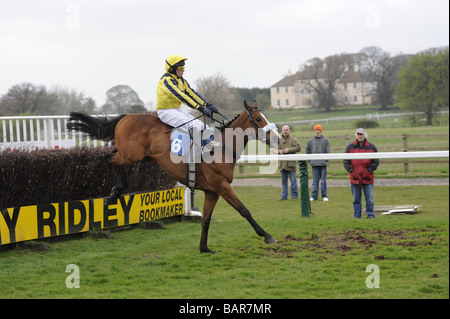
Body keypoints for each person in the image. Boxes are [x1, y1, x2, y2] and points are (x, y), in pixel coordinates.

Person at [157, 54, 219, 146]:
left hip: (176, 110)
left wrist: (207, 105)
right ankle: (200, 151)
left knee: (204, 126)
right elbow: (182, 97)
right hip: (165, 112)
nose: (183, 70)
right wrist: (201, 109)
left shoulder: (181, 80)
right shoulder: (166, 81)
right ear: (171, 69)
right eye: (180, 68)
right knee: (193, 126)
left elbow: (192, 94)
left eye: (183, 67)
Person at [343, 128, 379, 219]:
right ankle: (357, 215)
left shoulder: (371, 147)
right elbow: (346, 161)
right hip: (355, 178)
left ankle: (370, 214)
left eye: (361, 134)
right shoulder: (350, 147)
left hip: (367, 177)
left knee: (370, 199)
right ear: (356, 135)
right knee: (356, 199)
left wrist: (369, 170)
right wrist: (351, 170)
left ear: (364, 135)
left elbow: (376, 160)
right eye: (358, 134)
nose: (360, 136)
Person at [306, 124, 330, 202]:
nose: (317, 131)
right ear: (314, 131)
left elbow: (328, 151)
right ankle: (314, 196)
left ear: (321, 131)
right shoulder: (310, 141)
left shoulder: (325, 140)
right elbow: (307, 151)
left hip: (323, 164)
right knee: (315, 181)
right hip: (314, 164)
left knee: (323, 181)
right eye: (316, 130)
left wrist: (326, 161)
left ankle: (324, 196)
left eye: (319, 130)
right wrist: (310, 161)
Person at [278, 125, 301, 200]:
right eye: (284, 130)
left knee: (293, 182)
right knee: (284, 182)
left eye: (286, 130)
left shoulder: (293, 140)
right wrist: (279, 151)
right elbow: (273, 150)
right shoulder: (279, 140)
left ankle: (294, 197)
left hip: (291, 165)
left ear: (289, 131)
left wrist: (289, 150)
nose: (285, 131)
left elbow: (298, 148)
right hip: (282, 165)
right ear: (282, 131)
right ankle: (284, 196)